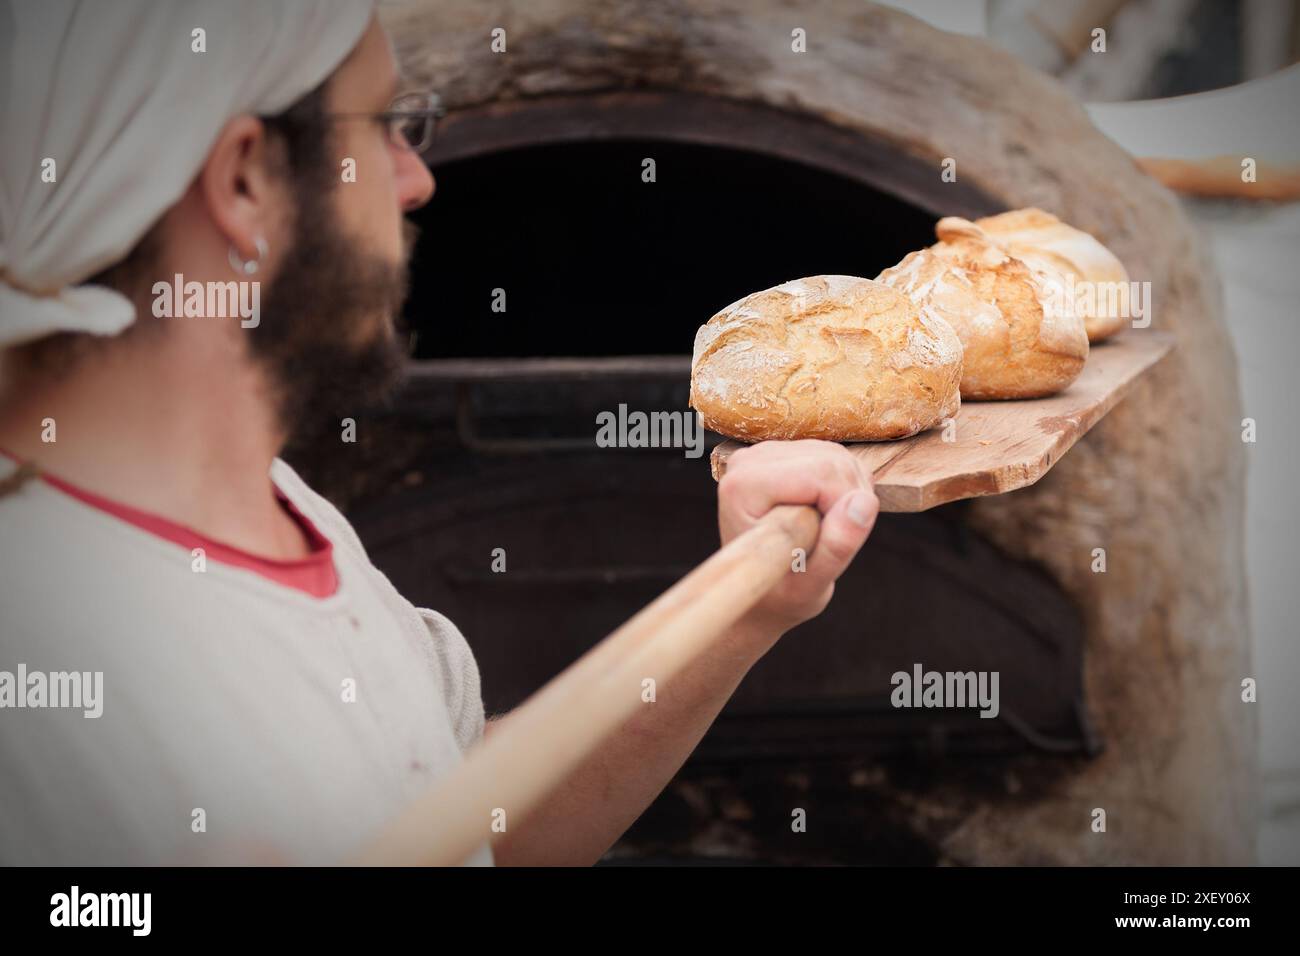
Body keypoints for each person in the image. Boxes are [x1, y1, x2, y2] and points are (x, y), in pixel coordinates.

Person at [0, 0, 878, 865]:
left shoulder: (273, 502)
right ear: (244, 180)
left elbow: (479, 818)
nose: (418, 178)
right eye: (384, 125)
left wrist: (746, 611)